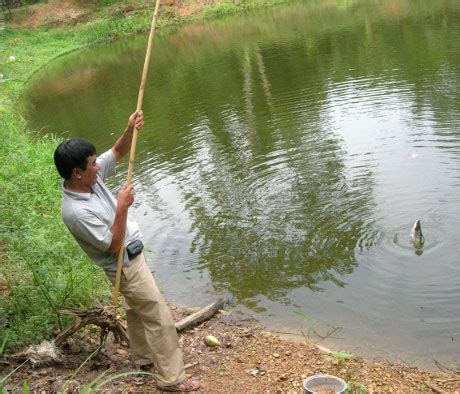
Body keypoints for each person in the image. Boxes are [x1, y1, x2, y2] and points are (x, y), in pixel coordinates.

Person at [53, 111, 200, 392]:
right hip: (124, 264)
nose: (99, 167)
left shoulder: (89, 180)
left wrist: (130, 129)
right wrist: (121, 207)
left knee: (135, 309)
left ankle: (142, 358)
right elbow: (113, 245)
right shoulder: (75, 211)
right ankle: (173, 379)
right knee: (158, 315)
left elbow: (120, 150)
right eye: (93, 164)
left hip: (134, 256)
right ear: (77, 172)